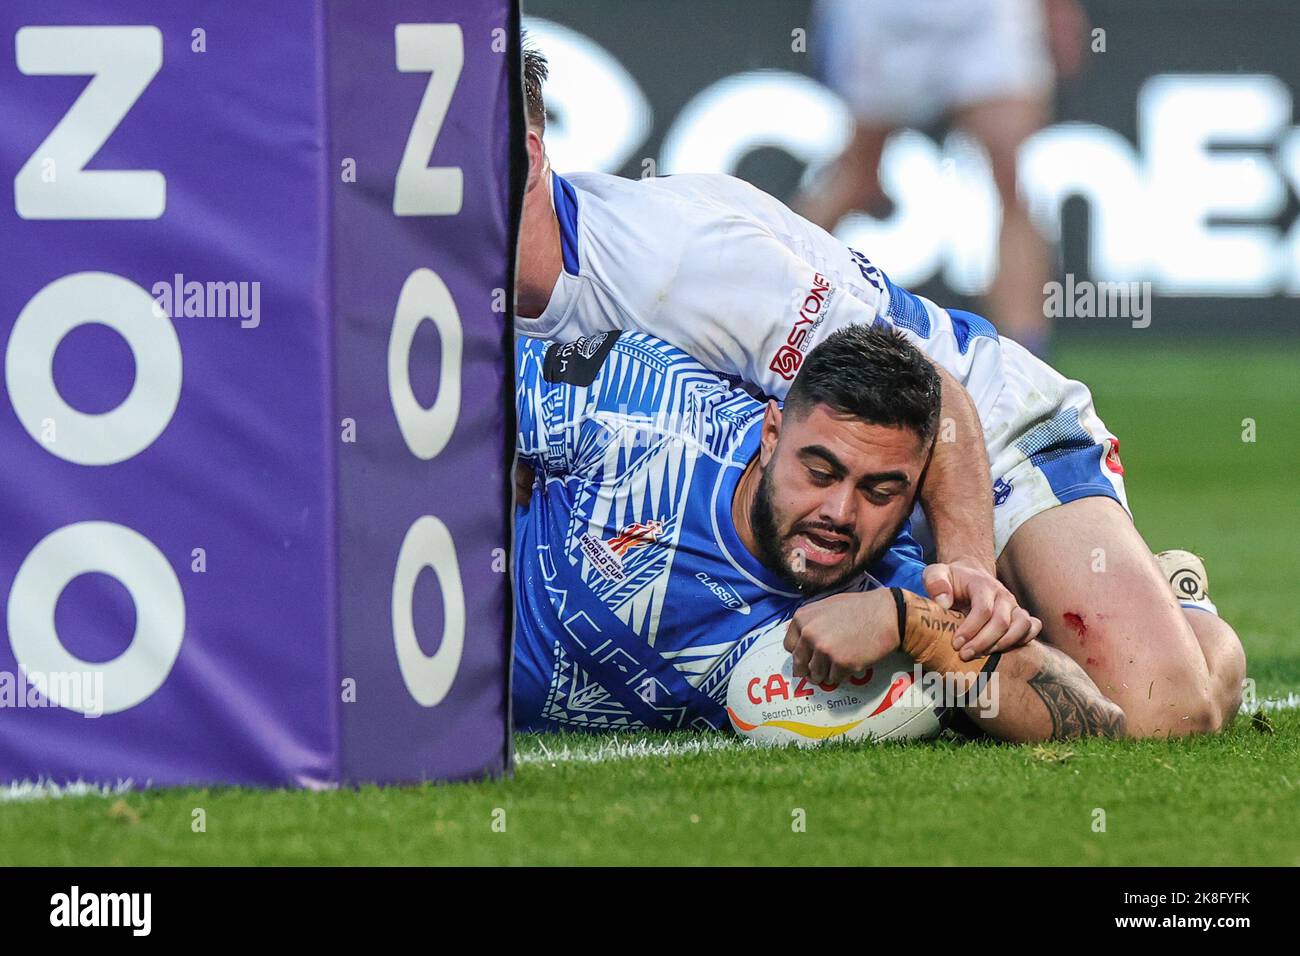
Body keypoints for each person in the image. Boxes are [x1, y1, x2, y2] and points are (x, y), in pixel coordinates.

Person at [513, 47, 1246, 738]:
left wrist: (961, 578)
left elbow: (928, 389)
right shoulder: (443, 289)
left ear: (529, 153)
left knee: (1163, 712)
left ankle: (1175, 607)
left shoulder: (676, 260)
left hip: (980, 429)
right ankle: (1084, 605)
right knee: (980, 691)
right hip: (840, 494)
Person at [513, 323, 1123, 742]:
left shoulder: (889, 580)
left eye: (880, 492)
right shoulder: (637, 400)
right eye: (820, 470)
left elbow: (1098, 721)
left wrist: (911, 623)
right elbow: (445, 390)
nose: (839, 512)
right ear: (771, 434)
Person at [795, 0, 1090, 355]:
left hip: (984, 11)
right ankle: (773, 308)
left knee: (1012, 177)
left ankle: (1024, 359)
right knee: (857, 177)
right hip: (883, 12)